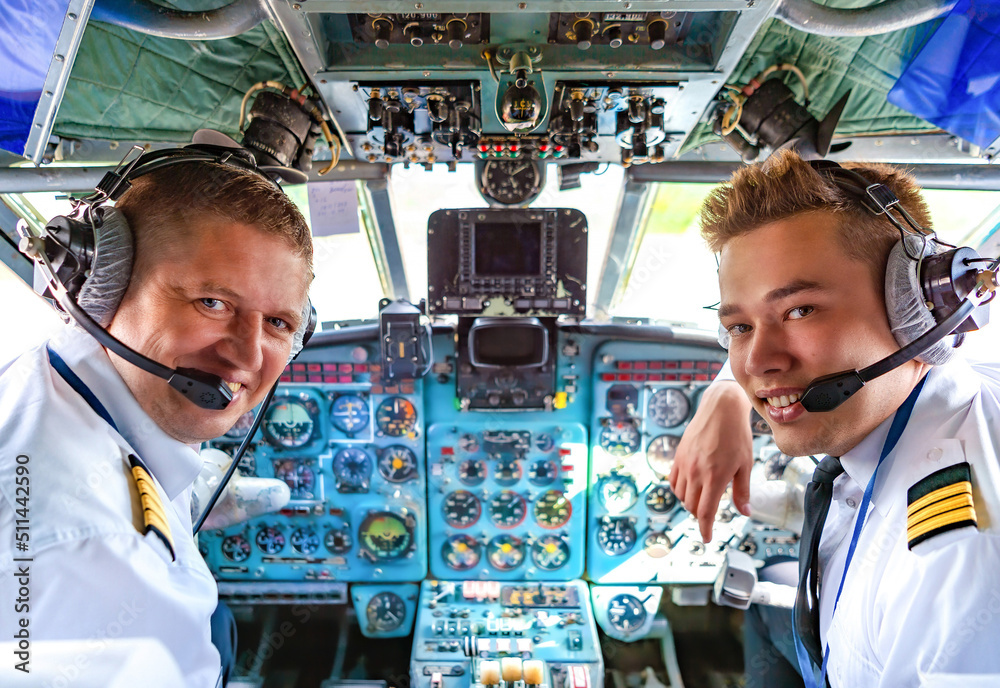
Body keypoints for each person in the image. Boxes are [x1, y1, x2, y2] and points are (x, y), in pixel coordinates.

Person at [672, 150, 1000, 685]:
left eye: (800, 311)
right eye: (738, 328)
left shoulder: (955, 561)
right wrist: (725, 395)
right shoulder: (966, 379)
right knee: (771, 590)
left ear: (916, 313)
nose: (757, 362)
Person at [0, 158, 313, 686]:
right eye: (212, 302)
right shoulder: (102, 557)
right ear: (102, 283)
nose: (248, 357)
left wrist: (185, 489)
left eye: (279, 323)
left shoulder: (39, 382)